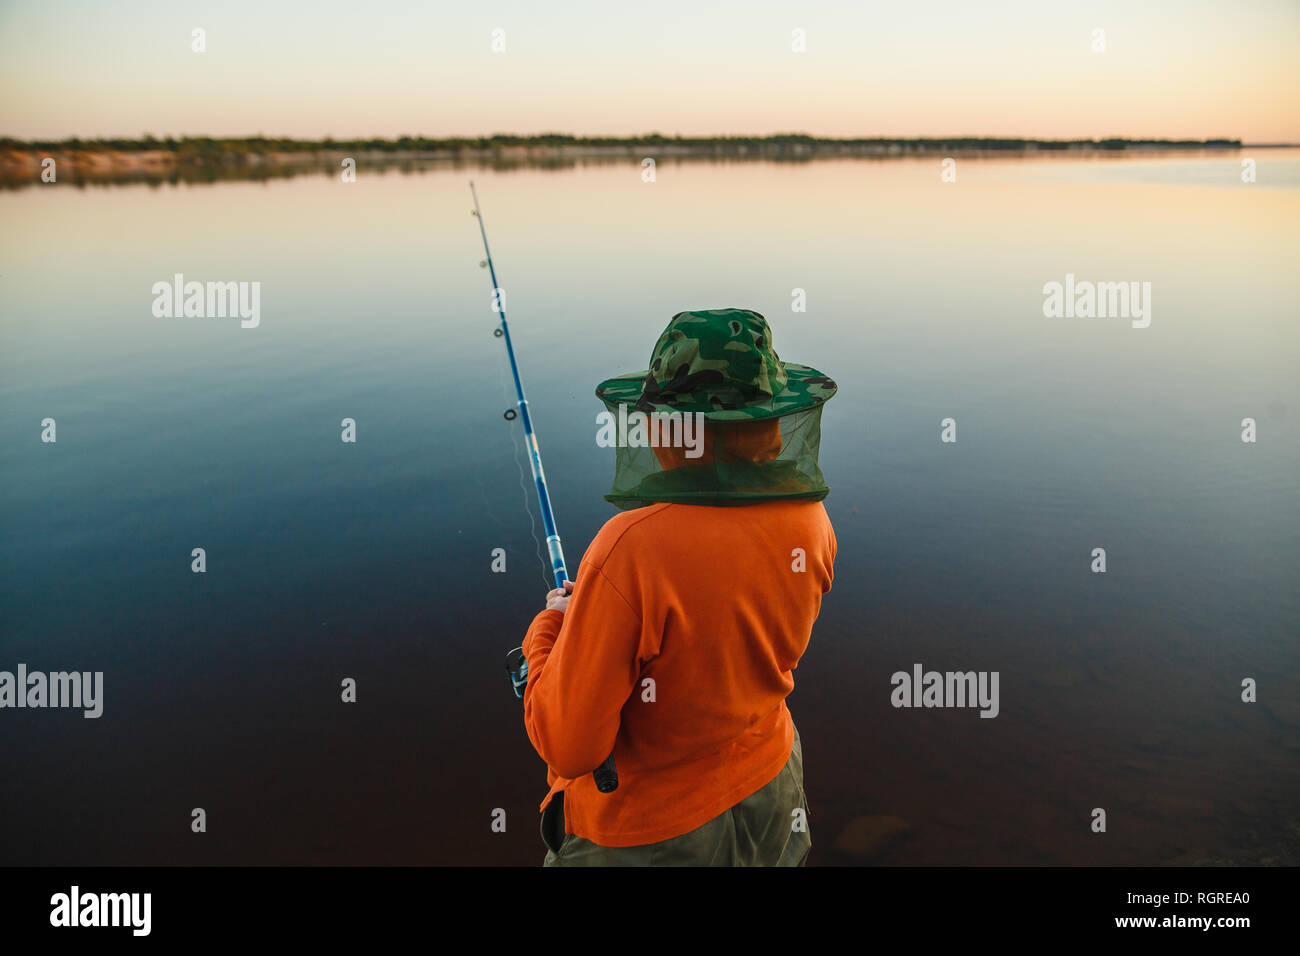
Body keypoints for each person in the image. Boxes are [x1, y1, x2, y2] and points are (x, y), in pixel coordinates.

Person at [519, 307, 837, 866]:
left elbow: (571, 745)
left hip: (652, 833)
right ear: (768, 421)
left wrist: (552, 628)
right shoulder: (811, 521)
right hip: (773, 785)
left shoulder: (631, 548)